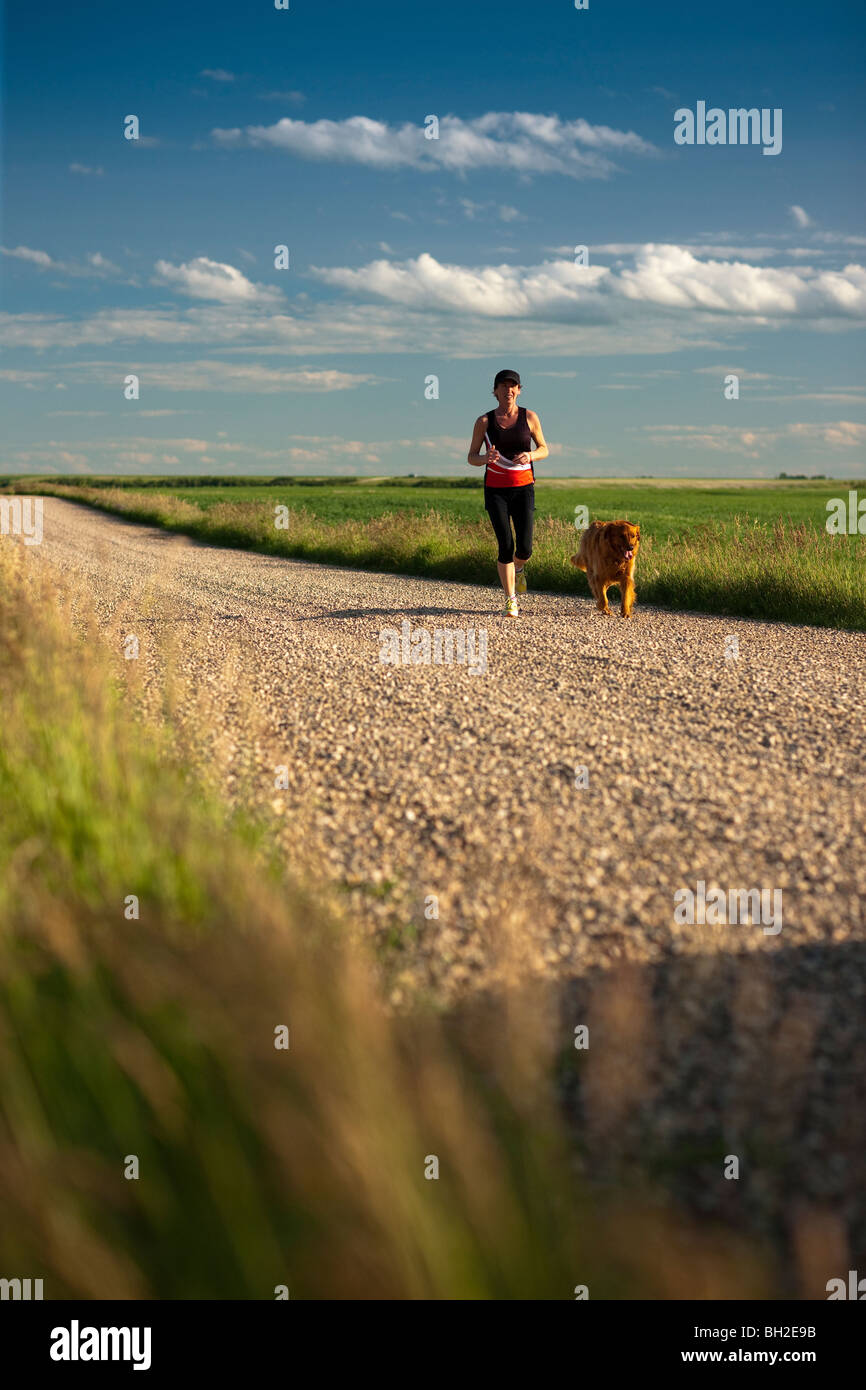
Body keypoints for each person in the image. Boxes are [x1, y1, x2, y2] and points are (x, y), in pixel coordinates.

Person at [467, 369, 549, 617]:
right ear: (495, 392)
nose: (508, 390)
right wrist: (485, 458)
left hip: (524, 489)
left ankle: (520, 569)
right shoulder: (484, 421)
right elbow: (471, 457)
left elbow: (544, 448)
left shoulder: (530, 417)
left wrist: (531, 455)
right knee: (506, 545)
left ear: (519, 390)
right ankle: (510, 599)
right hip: (496, 491)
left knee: (524, 549)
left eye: (513, 386)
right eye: (503, 386)